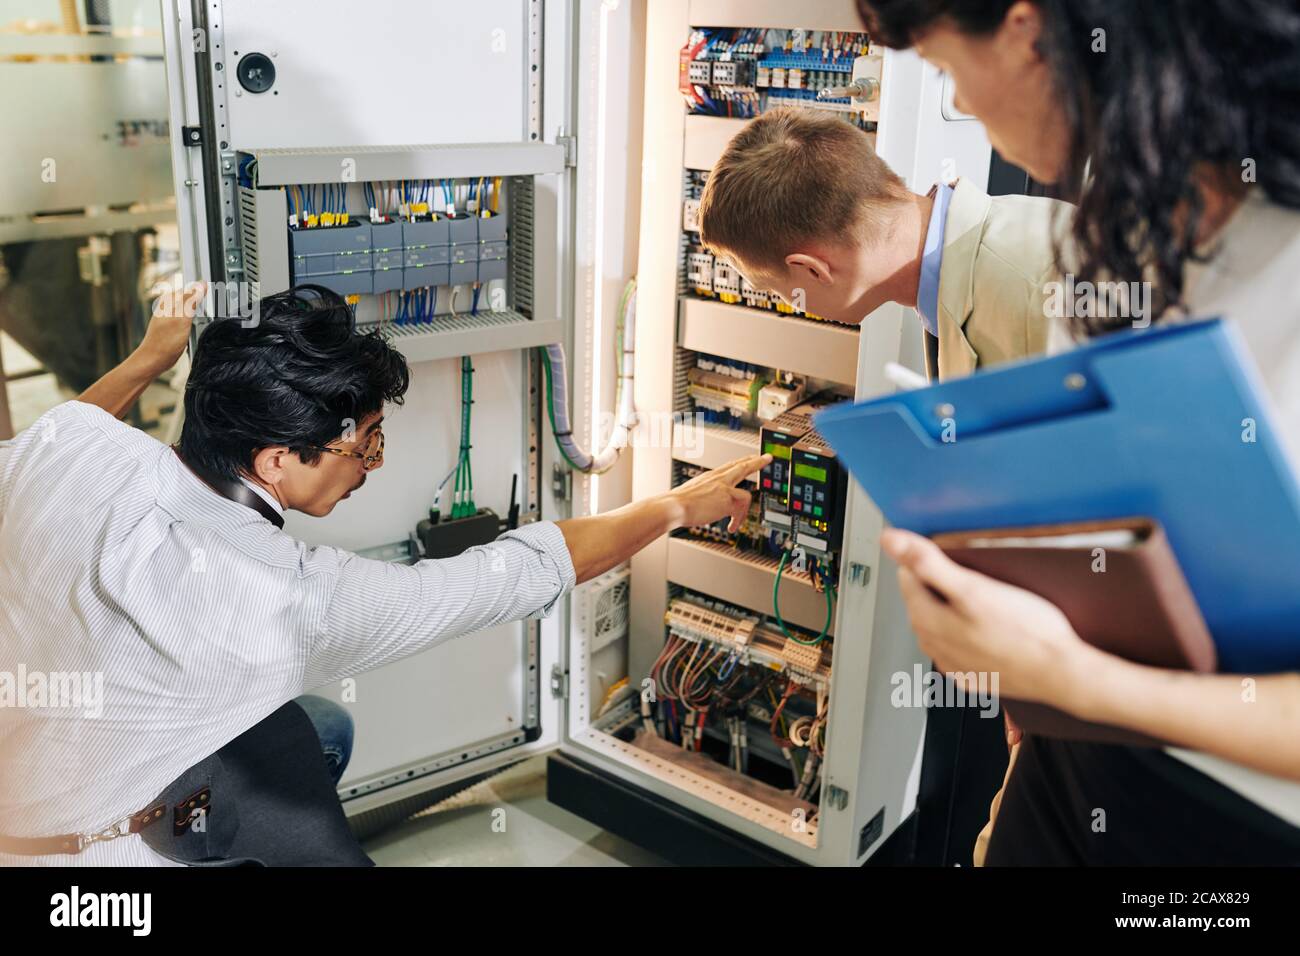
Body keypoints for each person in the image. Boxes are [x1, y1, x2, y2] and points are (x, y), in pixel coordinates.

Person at [0, 283, 768, 866]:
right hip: (87, 850)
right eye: (363, 445)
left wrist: (146, 359)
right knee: (303, 746)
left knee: (317, 729)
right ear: (277, 460)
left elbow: (68, 434)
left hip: (29, 762)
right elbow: (515, 573)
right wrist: (674, 506)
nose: (372, 465)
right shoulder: (287, 602)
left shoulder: (73, 442)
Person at [855, 0, 1300, 864]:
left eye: (948, 71)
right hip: (1076, 762)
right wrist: (1026, 770)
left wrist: (1072, 681)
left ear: (1028, 32)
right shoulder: (1119, 221)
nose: (964, 106)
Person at [698, 106, 1069, 380]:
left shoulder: (1044, 287)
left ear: (812, 269)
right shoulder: (950, 283)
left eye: (775, 290)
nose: (793, 306)